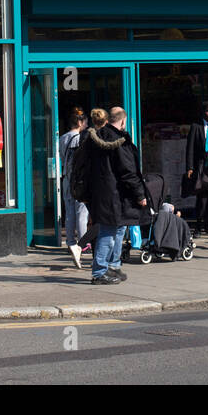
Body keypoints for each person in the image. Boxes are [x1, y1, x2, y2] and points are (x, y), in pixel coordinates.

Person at [81, 106, 148, 284]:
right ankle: (99, 272)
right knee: (108, 231)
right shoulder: (118, 140)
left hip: (99, 192)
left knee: (118, 229)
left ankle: (113, 265)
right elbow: (127, 171)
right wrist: (140, 194)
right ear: (123, 121)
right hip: (114, 194)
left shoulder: (95, 136)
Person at [59, 107, 89, 268]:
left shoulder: (62, 138)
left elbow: (63, 158)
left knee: (69, 212)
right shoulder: (79, 138)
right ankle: (83, 244)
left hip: (66, 179)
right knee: (82, 212)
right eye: (84, 121)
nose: (85, 124)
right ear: (79, 122)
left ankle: (70, 241)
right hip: (78, 180)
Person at [184, 101, 208, 237]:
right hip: (200, 167)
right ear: (203, 112)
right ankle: (198, 226)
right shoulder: (196, 127)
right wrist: (189, 167)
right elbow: (190, 148)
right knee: (202, 198)